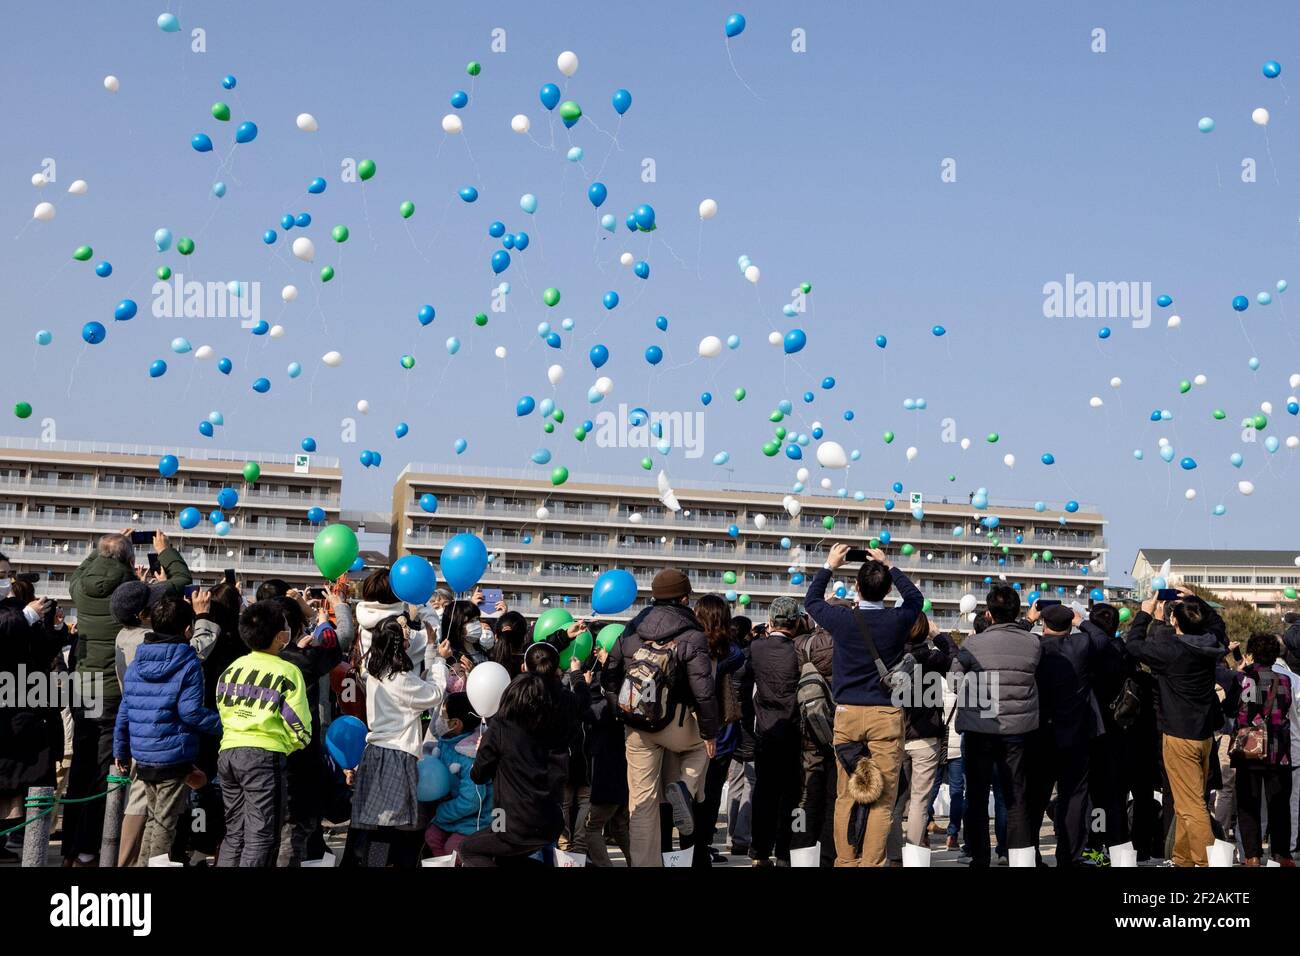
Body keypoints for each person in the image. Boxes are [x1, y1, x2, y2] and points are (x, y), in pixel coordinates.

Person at [64, 531, 191, 865]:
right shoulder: (134, 592)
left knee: (81, 764)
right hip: (109, 691)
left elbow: (79, 573)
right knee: (106, 772)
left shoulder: (79, 586)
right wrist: (165, 551)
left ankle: (70, 848)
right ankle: (91, 848)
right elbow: (181, 581)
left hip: (82, 686)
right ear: (129, 560)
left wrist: (104, 550)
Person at [804, 543, 923, 868]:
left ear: (856, 587)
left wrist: (830, 565)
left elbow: (812, 601)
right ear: (887, 589)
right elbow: (916, 599)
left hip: (846, 715)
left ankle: (845, 861)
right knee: (883, 799)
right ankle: (872, 862)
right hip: (886, 715)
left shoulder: (842, 619)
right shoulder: (897, 620)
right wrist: (890, 565)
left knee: (846, 795)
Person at [601, 568, 719, 867]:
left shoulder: (632, 628)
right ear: (684, 597)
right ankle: (684, 787)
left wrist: (621, 709)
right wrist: (709, 732)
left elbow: (609, 675)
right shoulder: (693, 635)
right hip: (676, 722)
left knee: (642, 804)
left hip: (637, 726)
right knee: (699, 750)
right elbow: (704, 691)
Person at [109, 580, 215, 866]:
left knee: (156, 819)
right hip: (173, 754)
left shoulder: (138, 657)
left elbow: (125, 708)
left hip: (143, 754)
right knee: (165, 825)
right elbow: (191, 712)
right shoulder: (188, 660)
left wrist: (120, 748)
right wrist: (223, 725)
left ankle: (144, 864)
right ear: (187, 630)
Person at [1123, 588, 1226, 867]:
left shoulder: (1171, 651)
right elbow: (1219, 625)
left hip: (1179, 735)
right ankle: (1183, 859)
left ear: (1174, 622)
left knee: (1192, 805)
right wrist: (1197, 601)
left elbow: (1133, 646)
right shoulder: (1211, 644)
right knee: (1184, 802)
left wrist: (1145, 612)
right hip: (1204, 734)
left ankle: (1207, 861)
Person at [214, 601, 312, 867]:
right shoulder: (287, 671)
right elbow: (300, 728)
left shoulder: (232, 669)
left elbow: (223, 710)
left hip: (228, 752)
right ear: (280, 636)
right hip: (264, 755)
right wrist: (285, 746)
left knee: (235, 833)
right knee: (262, 835)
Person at [348, 616, 450, 867]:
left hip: (376, 752)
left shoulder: (376, 671)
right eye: (405, 632)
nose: (409, 634)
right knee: (396, 827)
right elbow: (434, 693)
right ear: (399, 644)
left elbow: (420, 683)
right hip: (395, 754)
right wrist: (440, 659)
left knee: (380, 827)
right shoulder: (400, 678)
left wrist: (431, 648)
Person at [953, 585, 1041, 868]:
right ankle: (1019, 858)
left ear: (988, 614)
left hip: (980, 730)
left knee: (976, 798)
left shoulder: (972, 645)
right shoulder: (1034, 643)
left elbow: (954, 681)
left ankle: (979, 858)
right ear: (1016, 612)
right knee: (1015, 797)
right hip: (1018, 730)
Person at [1025, 602, 1110, 867]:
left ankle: (1030, 854)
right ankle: (1070, 855)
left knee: (1034, 799)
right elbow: (1101, 638)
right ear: (1068, 624)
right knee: (1075, 799)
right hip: (1075, 735)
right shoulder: (1082, 645)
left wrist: (1028, 619)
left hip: (1039, 734)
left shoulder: (1034, 646)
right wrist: (1081, 620)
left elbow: (1012, 637)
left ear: (1043, 623)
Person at [459, 674, 564, 866]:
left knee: (467, 848)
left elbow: (478, 775)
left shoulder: (500, 727)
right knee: (502, 856)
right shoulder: (553, 728)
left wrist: (483, 751)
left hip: (512, 823)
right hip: (547, 820)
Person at [272, 592, 342, 866]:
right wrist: (321, 619)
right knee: (296, 828)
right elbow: (336, 646)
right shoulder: (305, 659)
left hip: (257, 754)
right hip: (301, 753)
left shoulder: (248, 661)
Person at [740, 596, 808, 866]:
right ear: (795, 623)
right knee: (791, 795)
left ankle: (759, 852)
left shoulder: (756, 648)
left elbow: (741, 684)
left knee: (764, 794)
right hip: (794, 731)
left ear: (770, 622)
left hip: (765, 730)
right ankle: (784, 852)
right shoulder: (801, 650)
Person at [0, 583, 66, 853]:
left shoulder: (15, 610)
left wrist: (54, 627)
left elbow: (41, 655)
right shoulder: (17, 614)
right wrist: (27, 616)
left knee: (29, 783)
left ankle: (16, 842)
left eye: (7, 574)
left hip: (29, 708)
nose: (6, 581)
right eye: (1, 574)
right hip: (9, 714)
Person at [887, 612, 953, 863]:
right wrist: (939, 636)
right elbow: (957, 659)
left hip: (894, 733)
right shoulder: (933, 657)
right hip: (926, 737)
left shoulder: (891, 657)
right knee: (919, 801)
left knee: (893, 800)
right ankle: (914, 853)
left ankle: (893, 855)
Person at [1232, 633, 1294, 865]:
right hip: (1279, 749)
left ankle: (1252, 855)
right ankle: (1281, 854)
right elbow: (1286, 708)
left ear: (1252, 653)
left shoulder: (1245, 679)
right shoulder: (1285, 680)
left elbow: (1237, 711)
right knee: (1279, 804)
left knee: (1248, 803)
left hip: (1250, 749)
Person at [691, 593, 744, 866]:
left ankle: (692, 847)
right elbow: (738, 654)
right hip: (720, 734)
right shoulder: (726, 653)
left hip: (690, 733)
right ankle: (701, 847)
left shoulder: (691, 648)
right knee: (710, 797)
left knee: (692, 793)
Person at [424, 692, 491, 861]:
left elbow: (472, 800)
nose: (439, 720)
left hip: (477, 818)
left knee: (453, 849)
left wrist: (441, 812)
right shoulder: (446, 741)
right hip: (454, 813)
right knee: (432, 836)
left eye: (443, 716)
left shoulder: (470, 754)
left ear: (455, 723)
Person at [582, 643, 632, 866]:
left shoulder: (600, 703)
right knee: (620, 824)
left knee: (590, 827)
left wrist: (581, 686)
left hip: (605, 773)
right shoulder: (625, 695)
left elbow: (589, 713)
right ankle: (638, 861)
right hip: (622, 770)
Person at [793, 618, 836, 866]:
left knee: (805, 796)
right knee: (834, 797)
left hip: (805, 729)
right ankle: (828, 853)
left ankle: (800, 848)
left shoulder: (799, 645)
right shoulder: (844, 644)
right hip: (835, 730)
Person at [725, 615, 758, 857]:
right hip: (749, 725)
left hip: (729, 725)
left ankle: (729, 836)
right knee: (751, 781)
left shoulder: (726, 655)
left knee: (734, 782)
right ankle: (742, 836)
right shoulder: (749, 658)